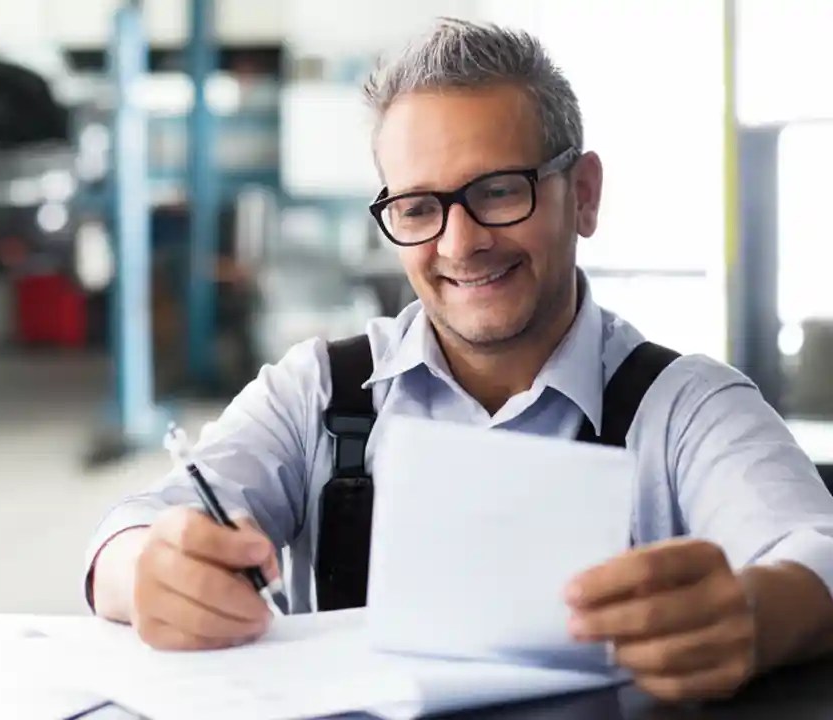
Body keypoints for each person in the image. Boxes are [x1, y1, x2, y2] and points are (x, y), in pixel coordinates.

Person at [84, 18, 833, 702]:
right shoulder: (318, 392)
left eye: (498, 191)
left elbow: (819, 552)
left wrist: (754, 612)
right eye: (417, 208)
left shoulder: (686, 408)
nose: (460, 243)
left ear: (584, 194)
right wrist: (150, 570)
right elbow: (132, 529)